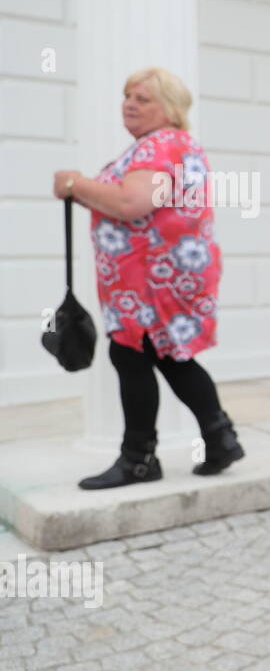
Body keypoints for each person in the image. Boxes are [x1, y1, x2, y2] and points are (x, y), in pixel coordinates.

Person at [51, 66, 241, 490]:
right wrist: (82, 192)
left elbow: (131, 202)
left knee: (132, 356)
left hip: (153, 280)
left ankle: (138, 459)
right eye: (127, 96)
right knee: (170, 355)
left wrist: (74, 181)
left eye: (143, 98)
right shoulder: (168, 146)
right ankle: (220, 438)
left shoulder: (161, 144)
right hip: (159, 276)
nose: (130, 104)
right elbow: (132, 206)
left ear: (169, 108)